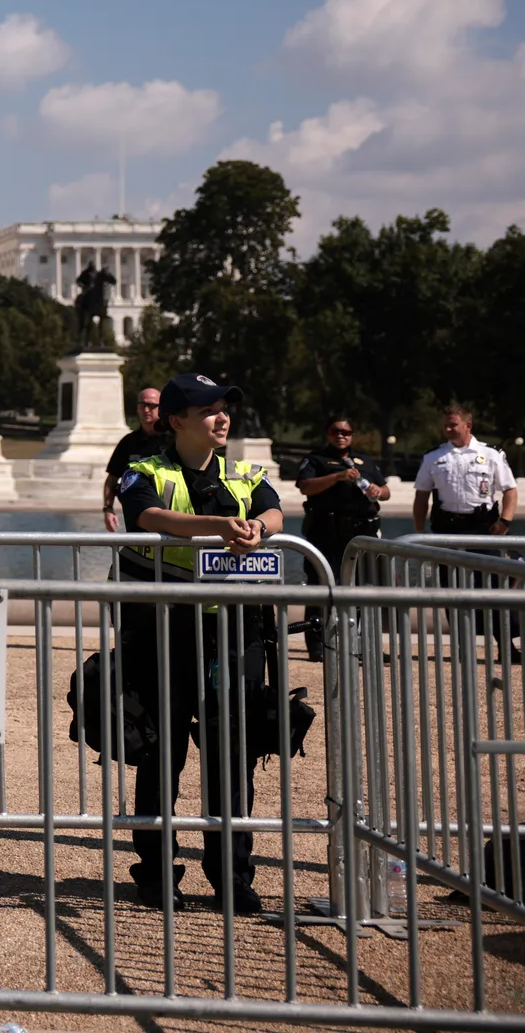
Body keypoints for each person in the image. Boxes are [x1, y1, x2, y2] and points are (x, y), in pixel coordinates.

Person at [114, 372, 284, 915]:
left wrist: (258, 527)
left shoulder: (242, 474)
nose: (223, 417)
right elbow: (147, 516)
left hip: (233, 633)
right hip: (165, 631)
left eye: (226, 408)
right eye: (209, 409)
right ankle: (158, 874)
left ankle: (232, 877)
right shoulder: (146, 471)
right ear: (176, 419)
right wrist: (220, 525)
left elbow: (275, 508)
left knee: (232, 757)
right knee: (162, 755)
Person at [294, 418, 388, 659]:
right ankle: (317, 646)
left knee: (363, 589)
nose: (341, 436)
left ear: (352, 435)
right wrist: (337, 477)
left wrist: (378, 491)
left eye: (346, 432)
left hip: (361, 533)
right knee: (320, 587)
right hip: (326, 532)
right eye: (336, 431)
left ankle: (361, 646)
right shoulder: (316, 460)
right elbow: (305, 487)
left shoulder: (365, 461)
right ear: (327, 433)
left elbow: (385, 491)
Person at [412, 404, 518, 537]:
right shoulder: (432, 457)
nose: (447, 429)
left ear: (468, 426)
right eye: (445, 425)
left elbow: (510, 490)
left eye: (453, 425)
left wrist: (504, 522)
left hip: (483, 526)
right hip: (446, 527)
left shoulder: (491, 454)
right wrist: (419, 530)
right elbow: (422, 494)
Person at [103, 388, 168, 532]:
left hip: (169, 513)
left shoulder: (174, 440)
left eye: (152, 405)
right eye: (142, 405)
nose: (146, 410)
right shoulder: (128, 442)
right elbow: (112, 479)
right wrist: (108, 509)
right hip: (136, 515)